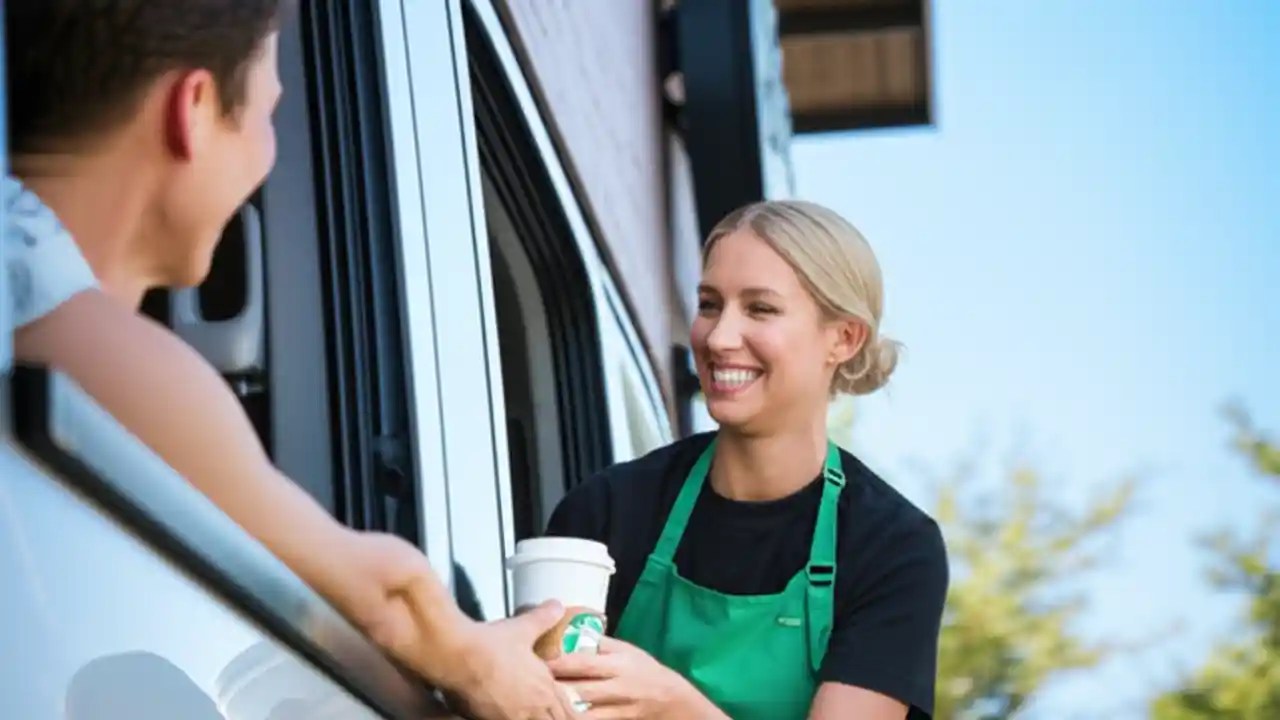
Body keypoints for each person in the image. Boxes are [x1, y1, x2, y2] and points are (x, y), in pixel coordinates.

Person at [2, 3, 575, 719]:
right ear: (196, 107)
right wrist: (484, 663)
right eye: (269, 114)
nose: (266, 152)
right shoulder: (87, 341)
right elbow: (389, 598)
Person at [545, 200, 949, 719]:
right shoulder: (606, 510)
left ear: (843, 338)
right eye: (710, 305)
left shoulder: (891, 548)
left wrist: (673, 709)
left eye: (760, 309)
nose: (718, 338)